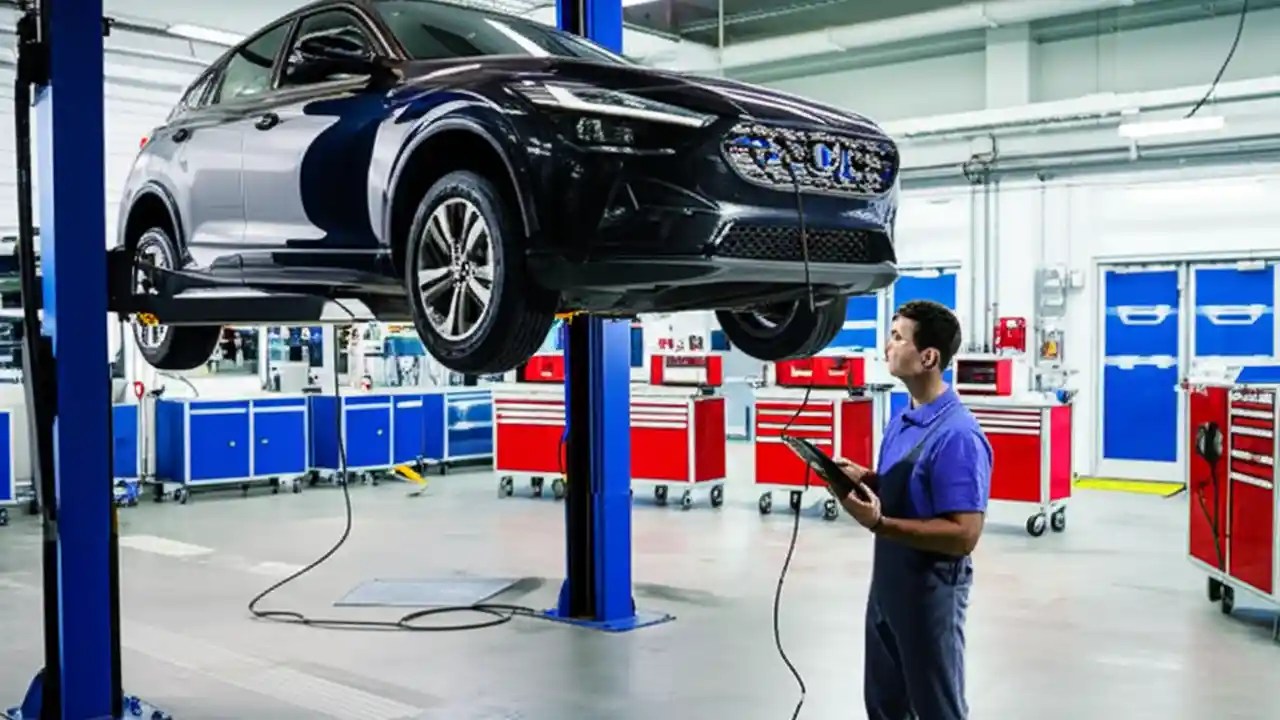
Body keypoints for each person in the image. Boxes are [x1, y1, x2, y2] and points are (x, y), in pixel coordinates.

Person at [827, 299, 993, 720]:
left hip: (929, 594)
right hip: (886, 586)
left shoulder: (958, 436)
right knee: (884, 705)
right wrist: (865, 478)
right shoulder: (903, 419)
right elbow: (911, 490)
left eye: (898, 337)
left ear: (928, 357)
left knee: (936, 708)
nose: (887, 346)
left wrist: (879, 522)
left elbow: (964, 534)